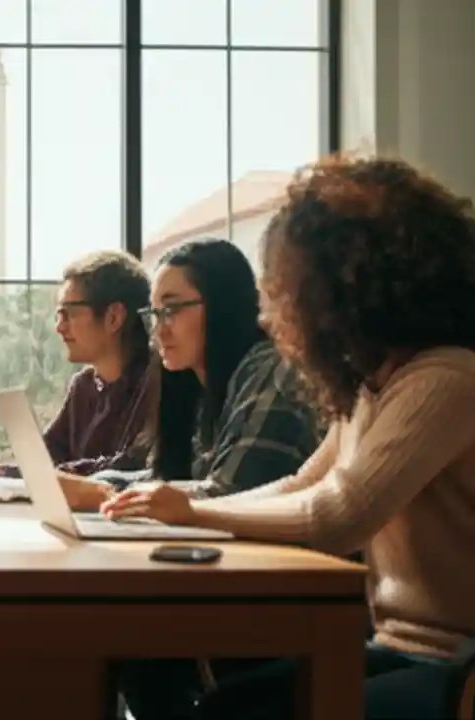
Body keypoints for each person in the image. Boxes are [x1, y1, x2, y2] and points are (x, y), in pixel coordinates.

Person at [101, 157, 475, 719]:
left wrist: (195, 514)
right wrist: (174, 510)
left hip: (453, 668)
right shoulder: (377, 384)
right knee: (216, 703)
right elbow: (305, 482)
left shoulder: (444, 379)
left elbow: (338, 513)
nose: (282, 309)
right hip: (394, 649)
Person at [56, 238, 321, 512]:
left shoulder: (271, 371)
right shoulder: (196, 383)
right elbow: (168, 479)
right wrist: (97, 486)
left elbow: (235, 494)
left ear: (222, 305)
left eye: (171, 310)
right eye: (155, 314)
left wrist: (103, 495)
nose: (159, 331)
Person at [0, 250, 153, 479]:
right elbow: (47, 458)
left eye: (68, 313)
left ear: (114, 317)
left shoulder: (161, 382)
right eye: (58, 315)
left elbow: (132, 466)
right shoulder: (84, 385)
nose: (59, 327)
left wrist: (48, 475)